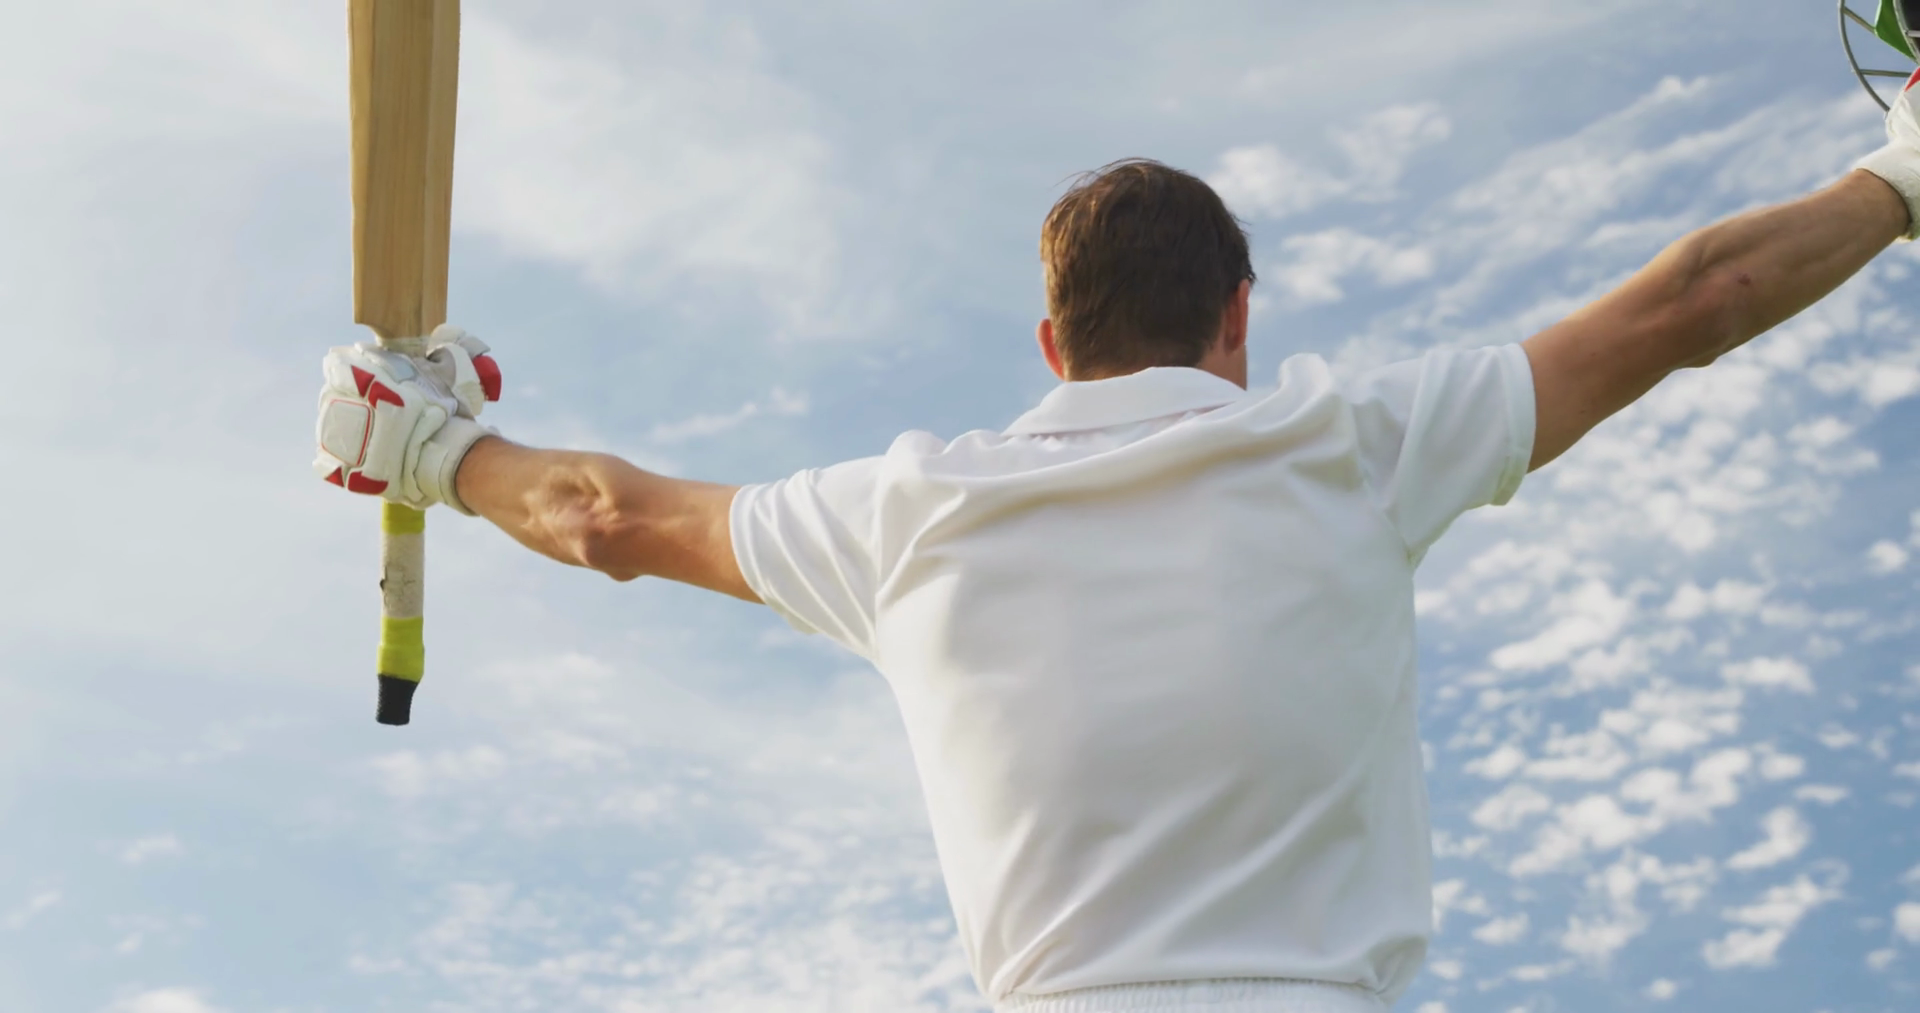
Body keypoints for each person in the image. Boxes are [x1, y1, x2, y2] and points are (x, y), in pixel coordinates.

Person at [312, 74, 1920, 1012]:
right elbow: (1701, 298)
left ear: (1050, 341)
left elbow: (610, 520)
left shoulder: (907, 514)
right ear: (1236, 324)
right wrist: (1904, 170)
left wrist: (441, 448)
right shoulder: (1348, 449)